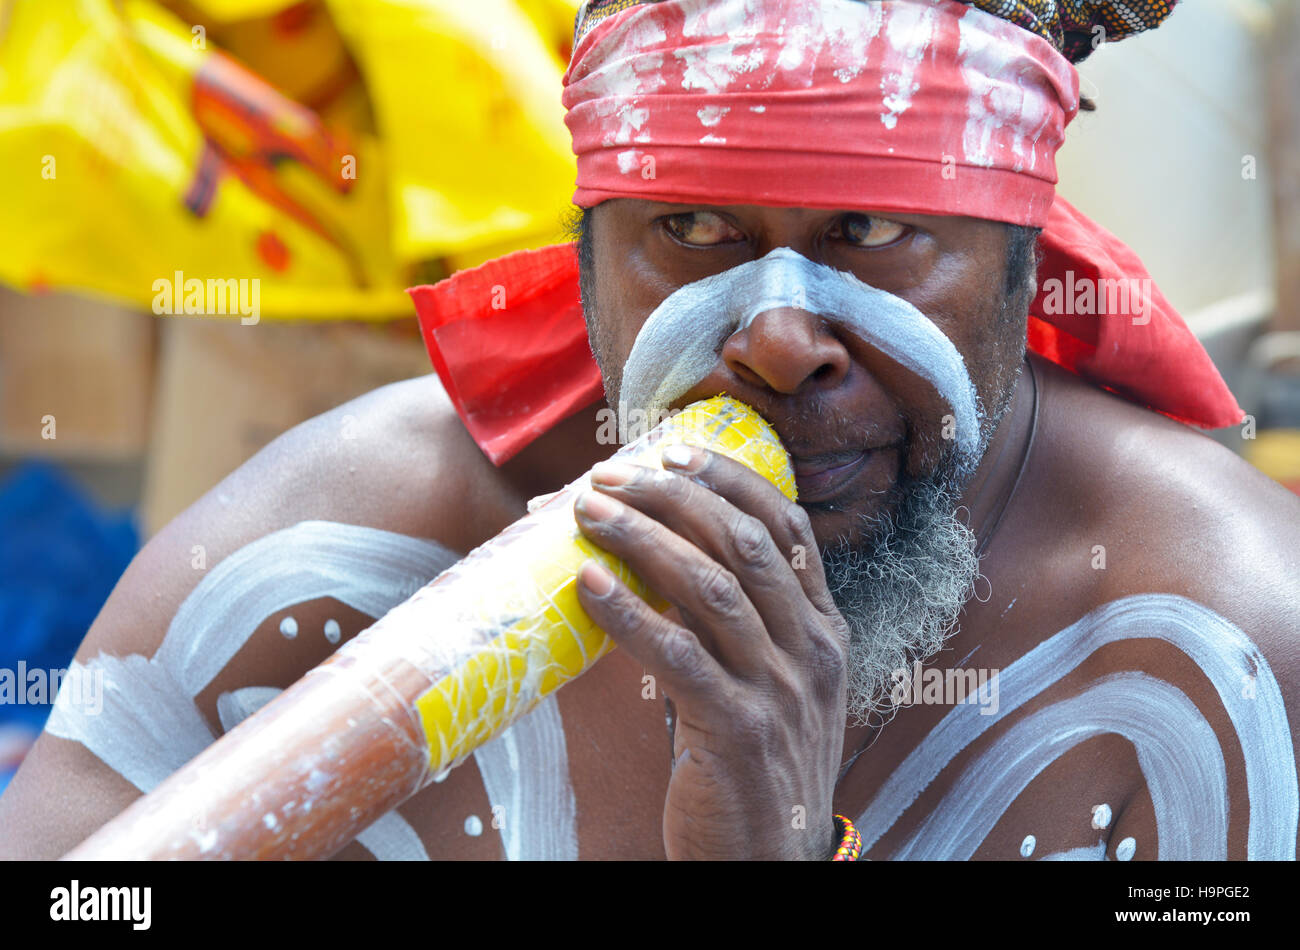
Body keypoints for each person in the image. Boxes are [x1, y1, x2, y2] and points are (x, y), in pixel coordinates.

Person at [2, 0, 1298, 861]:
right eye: (692, 232)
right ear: (587, 255)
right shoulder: (328, 564)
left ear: (1020, 263)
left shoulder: (1215, 656)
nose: (780, 335)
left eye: (874, 234)